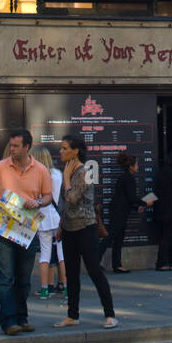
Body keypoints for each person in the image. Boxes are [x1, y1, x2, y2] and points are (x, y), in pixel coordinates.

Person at [0, 129, 53, 335]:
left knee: (24, 277)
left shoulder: (41, 170)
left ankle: (22, 316)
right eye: (11, 145)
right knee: (5, 276)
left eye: (16, 146)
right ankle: (9, 321)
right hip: (3, 227)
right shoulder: (0, 167)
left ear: (27, 147)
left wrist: (36, 202)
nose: (12, 149)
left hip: (27, 228)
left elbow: (48, 196)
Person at [54, 135, 117, 330]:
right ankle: (72, 315)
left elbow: (72, 198)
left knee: (94, 270)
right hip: (69, 228)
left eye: (65, 148)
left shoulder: (86, 171)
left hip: (86, 227)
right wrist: (60, 224)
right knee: (71, 274)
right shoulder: (67, 170)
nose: (61, 152)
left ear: (75, 151)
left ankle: (110, 314)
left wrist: (65, 179)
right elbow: (64, 204)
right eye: (61, 148)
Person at [102, 152, 152, 273]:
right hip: (119, 212)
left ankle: (117, 265)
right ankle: (95, 261)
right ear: (131, 166)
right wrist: (145, 203)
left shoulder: (125, 177)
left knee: (118, 238)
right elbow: (132, 198)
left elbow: (126, 198)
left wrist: (136, 208)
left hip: (119, 210)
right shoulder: (129, 178)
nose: (138, 167)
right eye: (136, 165)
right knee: (112, 237)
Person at [33, 146, 66, 299]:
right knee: (61, 254)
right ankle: (66, 288)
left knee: (45, 254)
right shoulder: (58, 174)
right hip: (56, 217)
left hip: (42, 217)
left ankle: (45, 289)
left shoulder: (35, 175)